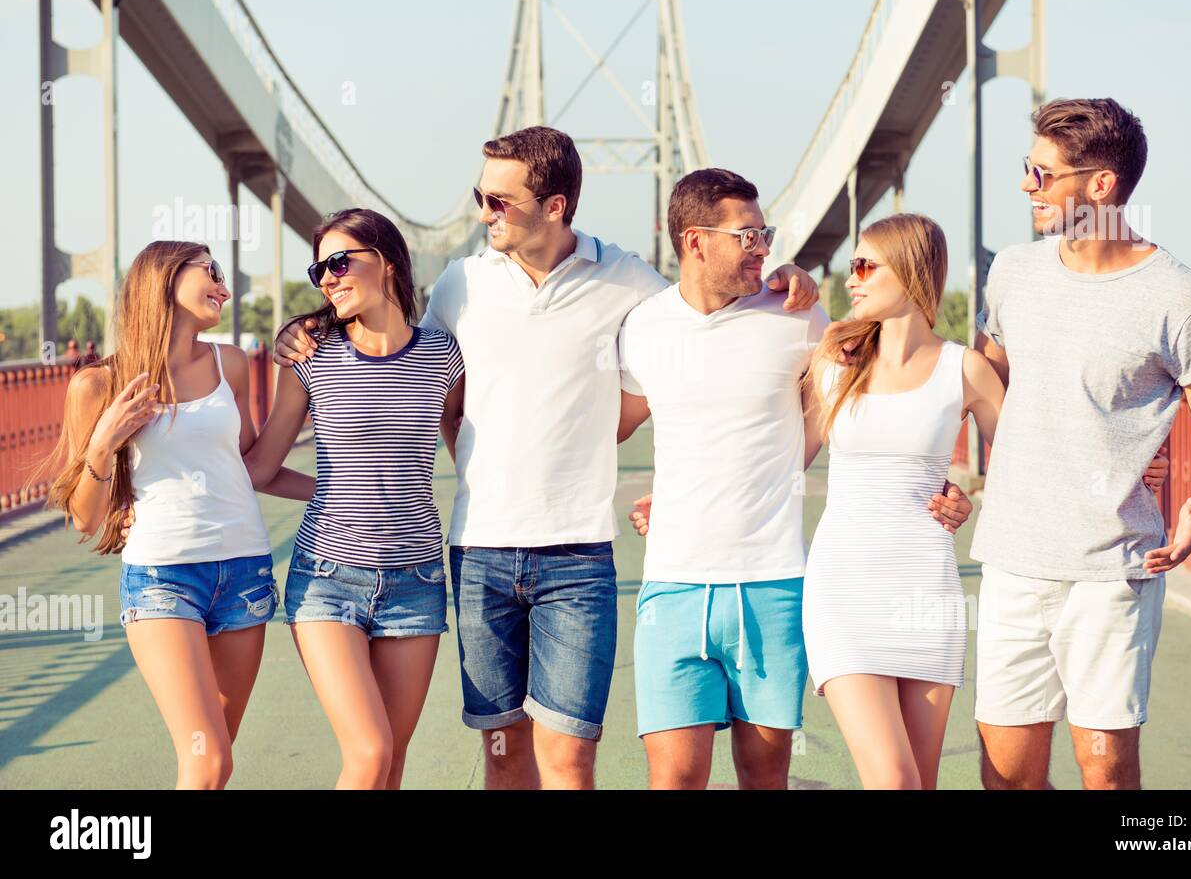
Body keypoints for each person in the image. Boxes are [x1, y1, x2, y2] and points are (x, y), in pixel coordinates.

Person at [272, 126, 821, 789]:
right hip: (479, 554)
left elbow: (698, 303)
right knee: (505, 756)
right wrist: (305, 326)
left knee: (568, 761)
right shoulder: (459, 284)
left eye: (499, 201)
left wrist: (784, 275)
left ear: (555, 205)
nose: (483, 214)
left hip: (580, 557)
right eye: (481, 196)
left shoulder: (627, 281)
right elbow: (414, 366)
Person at [618, 174, 975, 789]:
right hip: (671, 584)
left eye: (767, 234)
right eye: (748, 234)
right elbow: (612, 428)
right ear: (695, 240)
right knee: (673, 779)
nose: (762, 246)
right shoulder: (642, 326)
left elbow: (879, 394)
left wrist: (945, 484)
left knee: (765, 775)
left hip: (773, 583)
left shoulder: (801, 315)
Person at [971, 97, 1191, 789]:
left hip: (1112, 571)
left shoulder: (1181, 297)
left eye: (1040, 173)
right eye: (1026, 169)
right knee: (1006, 775)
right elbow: (983, 379)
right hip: (1012, 558)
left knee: (1106, 769)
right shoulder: (1012, 272)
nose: (1026, 186)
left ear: (1100, 184)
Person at [40, 241, 313, 789]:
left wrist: (345, 492)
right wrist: (102, 446)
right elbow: (84, 518)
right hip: (163, 579)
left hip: (245, 575)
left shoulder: (229, 364)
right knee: (207, 759)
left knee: (213, 763)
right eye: (210, 272)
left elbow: (252, 467)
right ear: (164, 277)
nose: (224, 287)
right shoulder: (98, 385)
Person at [244, 208, 464, 789]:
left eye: (341, 262)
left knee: (390, 766)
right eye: (320, 270)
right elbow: (262, 469)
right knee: (368, 754)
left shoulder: (445, 356)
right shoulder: (310, 357)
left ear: (388, 260)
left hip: (416, 580)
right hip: (326, 578)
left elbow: (467, 441)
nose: (328, 278)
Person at [801, 213, 1003, 789]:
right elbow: (781, 461)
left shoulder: (965, 368)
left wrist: (972, 501)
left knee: (921, 783)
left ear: (911, 273)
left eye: (866, 266)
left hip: (927, 594)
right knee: (895, 780)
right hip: (844, 590)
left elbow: (1024, 466)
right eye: (851, 266)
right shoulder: (834, 362)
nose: (852, 279)